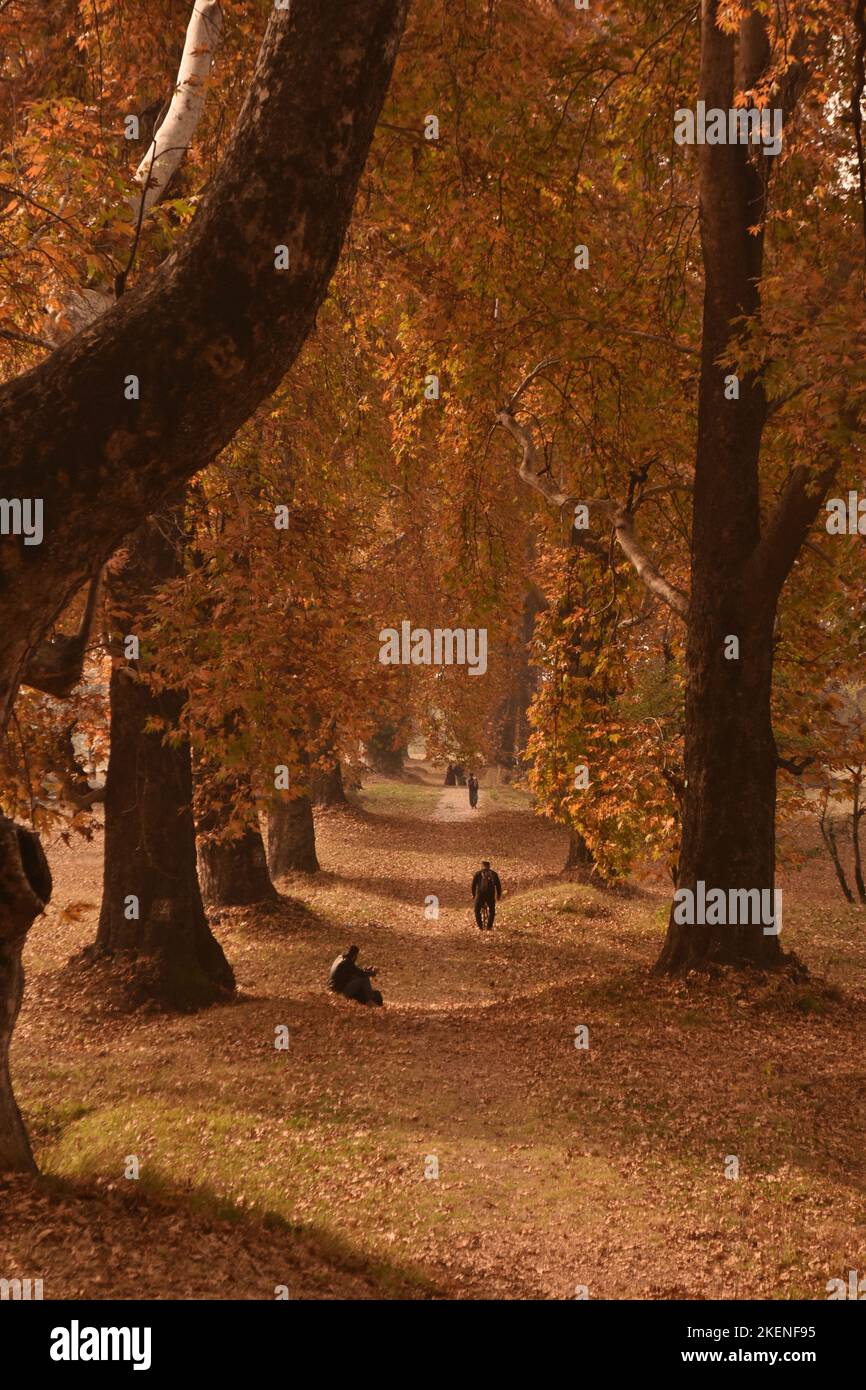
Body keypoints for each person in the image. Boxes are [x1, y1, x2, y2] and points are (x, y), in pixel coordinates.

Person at [471, 859, 502, 930]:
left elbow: (473, 885)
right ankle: (489, 926)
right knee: (492, 911)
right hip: (490, 895)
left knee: (476, 910)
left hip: (480, 895)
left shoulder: (478, 873)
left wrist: (473, 895)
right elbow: (498, 886)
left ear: (482, 866)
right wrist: (498, 895)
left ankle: (480, 926)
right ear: (489, 866)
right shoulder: (494, 874)